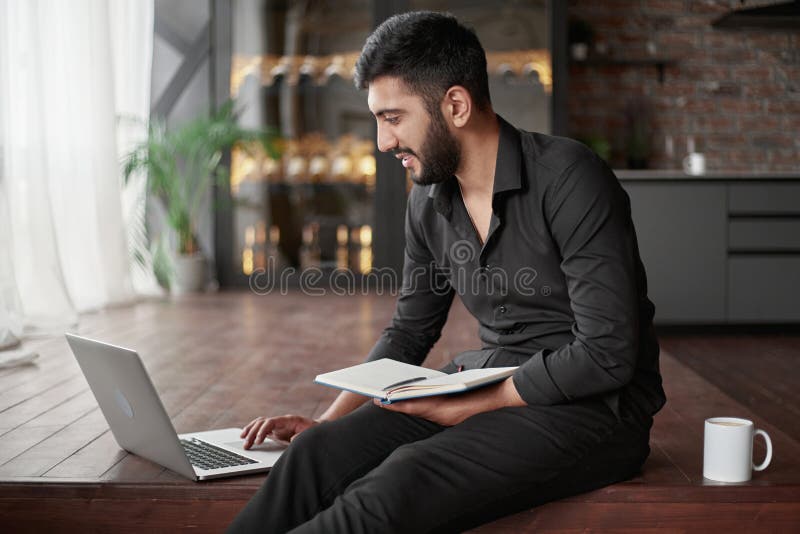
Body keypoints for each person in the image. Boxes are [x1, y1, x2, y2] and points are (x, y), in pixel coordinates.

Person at [229, 11, 665, 534]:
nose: (382, 142)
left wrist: (475, 404)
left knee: (401, 481)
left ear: (456, 105)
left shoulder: (570, 178)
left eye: (393, 118)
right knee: (314, 453)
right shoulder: (427, 203)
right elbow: (409, 332)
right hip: (487, 382)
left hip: (595, 409)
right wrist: (326, 423)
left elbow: (607, 353)